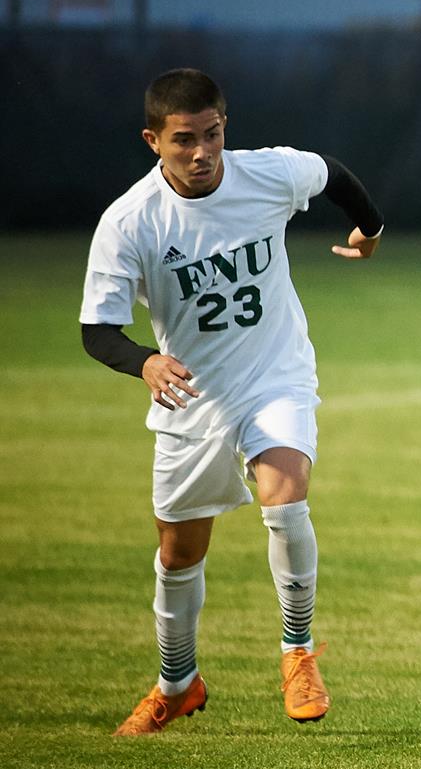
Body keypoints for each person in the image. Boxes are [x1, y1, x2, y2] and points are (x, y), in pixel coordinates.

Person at [80, 68, 386, 735]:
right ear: (152, 139)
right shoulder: (131, 221)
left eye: (212, 135)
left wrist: (372, 229)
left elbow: (330, 174)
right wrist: (146, 361)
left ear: (226, 128)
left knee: (287, 492)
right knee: (180, 554)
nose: (201, 152)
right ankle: (177, 682)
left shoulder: (266, 174)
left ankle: (298, 652)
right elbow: (96, 330)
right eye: (183, 139)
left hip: (275, 373)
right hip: (194, 400)